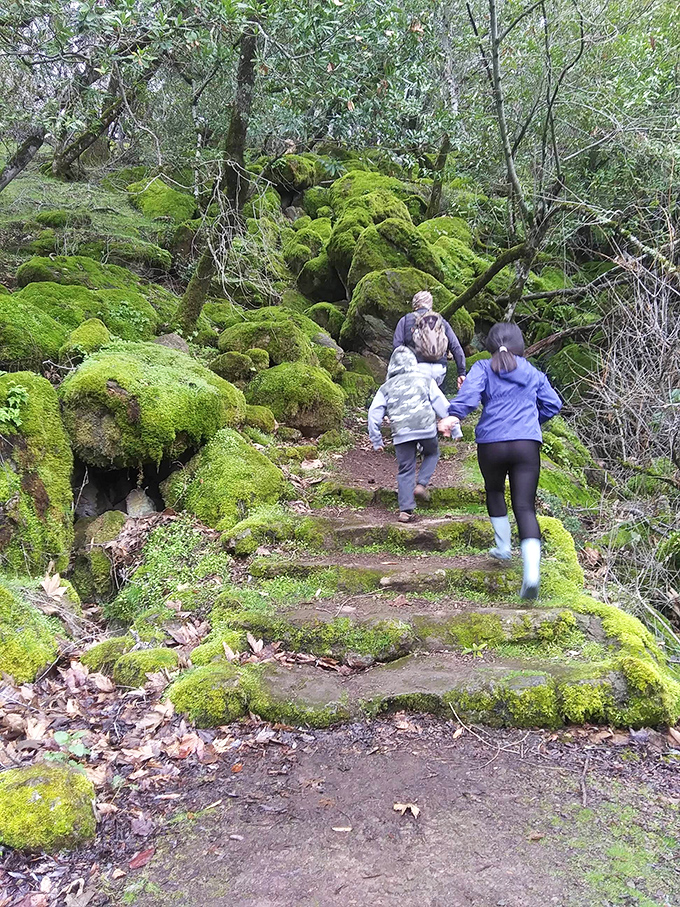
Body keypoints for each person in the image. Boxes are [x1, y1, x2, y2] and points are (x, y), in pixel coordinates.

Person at [438, 323, 562, 599]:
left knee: (494, 491)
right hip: (526, 445)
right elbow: (553, 404)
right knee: (525, 507)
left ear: (490, 346)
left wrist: (453, 415)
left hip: (491, 444)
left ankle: (503, 547)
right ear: (520, 345)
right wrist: (531, 422)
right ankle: (531, 575)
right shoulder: (532, 371)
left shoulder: (483, 367)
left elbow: (469, 397)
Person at [368, 345, 452, 522]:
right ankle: (421, 484)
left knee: (405, 468)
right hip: (426, 427)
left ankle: (405, 511)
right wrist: (454, 426)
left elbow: (374, 413)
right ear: (414, 362)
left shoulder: (386, 387)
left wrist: (376, 440)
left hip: (401, 431)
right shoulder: (425, 379)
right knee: (432, 453)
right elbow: (441, 403)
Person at [393, 290, 466, 389]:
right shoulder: (440, 321)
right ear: (430, 305)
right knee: (434, 396)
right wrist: (462, 373)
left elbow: (397, 347)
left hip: (416, 369)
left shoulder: (405, 320)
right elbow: (456, 347)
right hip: (439, 370)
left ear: (414, 305)